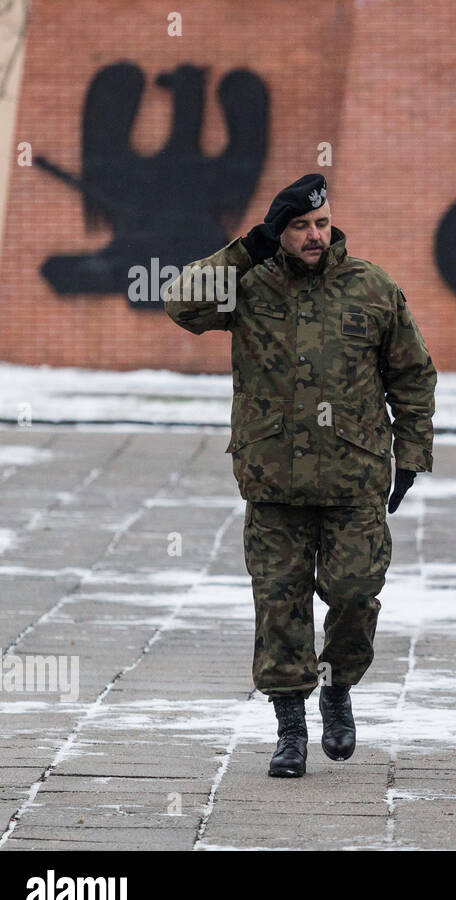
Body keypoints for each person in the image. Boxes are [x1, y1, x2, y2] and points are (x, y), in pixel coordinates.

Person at [162, 173, 436, 777]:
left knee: (355, 593)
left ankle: (337, 690)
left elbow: (413, 375)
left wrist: (411, 455)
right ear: (277, 233)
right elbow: (180, 303)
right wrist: (246, 251)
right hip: (274, 481)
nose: (315, 236)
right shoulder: (248, 284)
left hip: (354, 479)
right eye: (299, 227)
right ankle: (290, 727)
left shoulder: (371, 286)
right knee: (279, 607)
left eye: (320, 223)